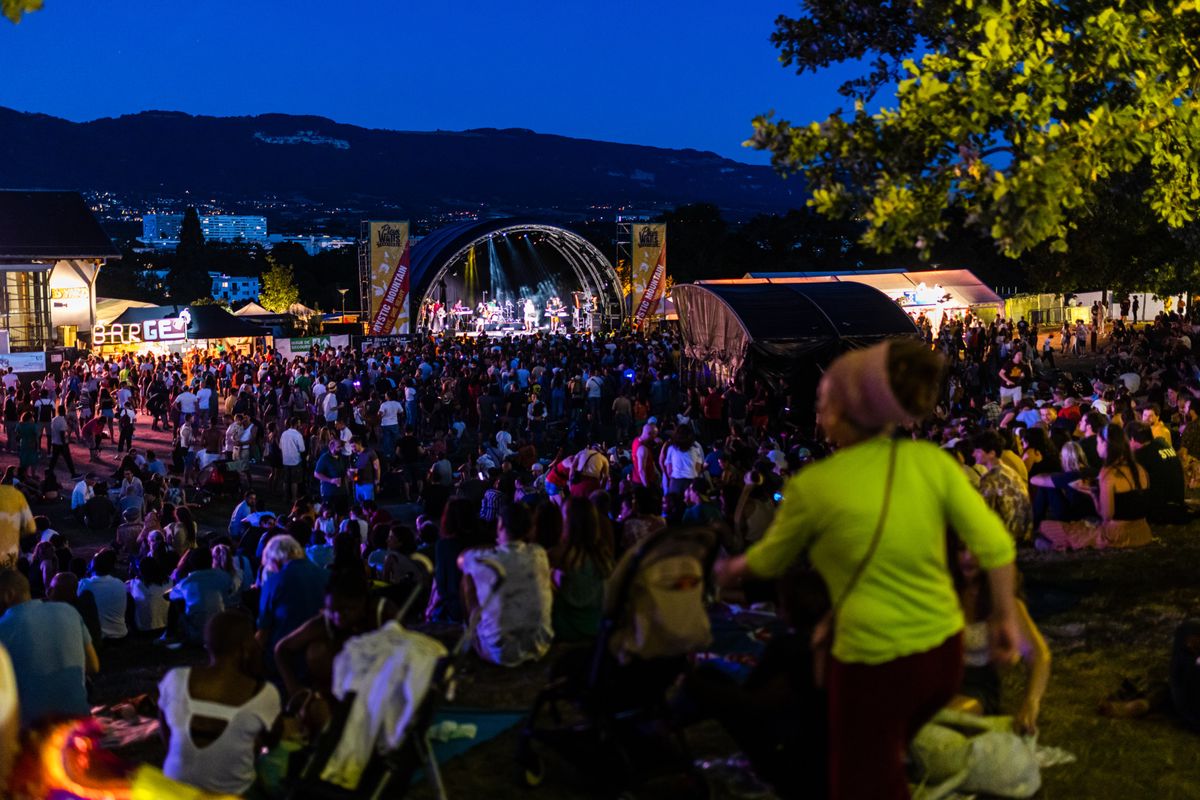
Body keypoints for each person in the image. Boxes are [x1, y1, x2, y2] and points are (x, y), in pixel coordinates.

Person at [714, 339, 1018, 800]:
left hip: (873, 662)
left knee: (862, 780)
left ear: (845, 410)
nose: (816, 416)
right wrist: (1005, 619)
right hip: (941, 657)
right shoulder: (932, 462)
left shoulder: (814, 485)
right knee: (882, 757)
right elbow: (995, 545)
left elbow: (768, 561)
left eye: (821, 404)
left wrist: (723, 570)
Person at [157, 611, 282, 796]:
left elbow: (166, 734)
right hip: (233, 793)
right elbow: (272, 742)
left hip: (176, 790)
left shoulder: (175, 679)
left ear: (208, 646)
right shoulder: (263, 694)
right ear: (247, 646)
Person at [951, 540, 1051, 734]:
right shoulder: (944, 592)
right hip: (940, 679)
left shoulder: (1002, 602)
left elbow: (1039, 654)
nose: (967, 557)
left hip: (976, 686)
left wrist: (1031, 703)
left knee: (941, 718)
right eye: (961, 549)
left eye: (975, 549)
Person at [0, 570, 99, 727]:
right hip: (79, 722)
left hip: (34, 732)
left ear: (8, 595)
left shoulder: (4, 627)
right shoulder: (68, 611)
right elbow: (93, 666)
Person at [460, 503, 554, 666]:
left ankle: (473, 629)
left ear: (501, 524)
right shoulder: (539, 553)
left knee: (468, 577)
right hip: (540, 645)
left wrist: (493, 548)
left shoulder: (486, 560)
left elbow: (461, 559)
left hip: (500, 652)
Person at [1039, 424, 1153, 550]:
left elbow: (1106, 515)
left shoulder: (1108, 472)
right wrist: (1093, 493)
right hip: (1142, 532)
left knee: (1046, 526)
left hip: (1116, 534)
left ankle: (1057, 544)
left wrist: (1094, 494)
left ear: (1106, 444)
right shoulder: (1140, 469)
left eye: (1098, 442)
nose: (1097, 447)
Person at [257, 534, 329, 674]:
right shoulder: (327, 575)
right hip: (322, 654)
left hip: (285, 658)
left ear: (275, 560)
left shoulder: (274, 582)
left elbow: (264, 629)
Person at [551, 498, 613, 641]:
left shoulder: (559, 557)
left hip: (565, 632)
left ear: (569, 523)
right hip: (597, 631)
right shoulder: (604, 557)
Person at [1127, 421, 1189, 524]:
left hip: (1161, 510)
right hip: (1178, 502)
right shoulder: (1163, 444)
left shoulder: (1141, 456)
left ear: (1132, 439)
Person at [78, 548, 128, 640]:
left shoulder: (84, 583)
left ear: (92, 566)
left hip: (95, 637)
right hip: (120, 634)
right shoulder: (119, 583)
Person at [663, 424, 704, 495]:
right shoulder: (696, 449)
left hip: (675, 482)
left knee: (675, 504)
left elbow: (669, 471)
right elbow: (698, 470)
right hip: (691, 481)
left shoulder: (671, 449)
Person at [314, 438, 347, 503]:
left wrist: (348, 474)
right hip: (329, 493)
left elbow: (344, 471)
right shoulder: (324, 458)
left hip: (342, 492)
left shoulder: (342, 457)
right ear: (331, 446)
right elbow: (316, 474)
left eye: (341, 447)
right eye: (338, 447)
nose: (340, 449)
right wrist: (330, 480)